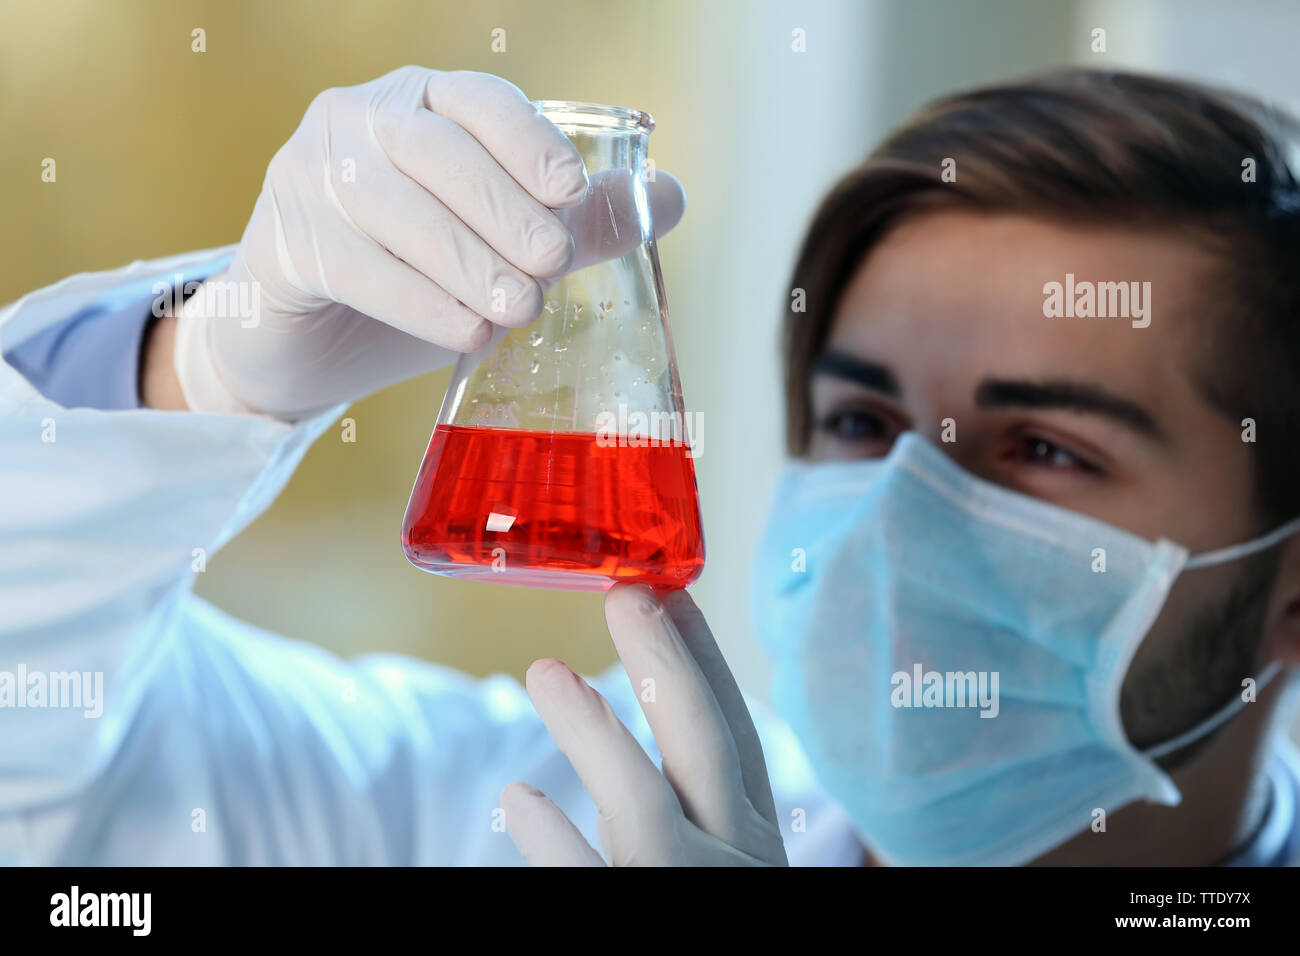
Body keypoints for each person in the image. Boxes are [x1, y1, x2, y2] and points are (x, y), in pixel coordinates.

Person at [1, 65, 1298, 867]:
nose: (899, 515)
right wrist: (197, 373)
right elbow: (42, 779)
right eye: (860, 425)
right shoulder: (509, 817)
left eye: (1044, 447)